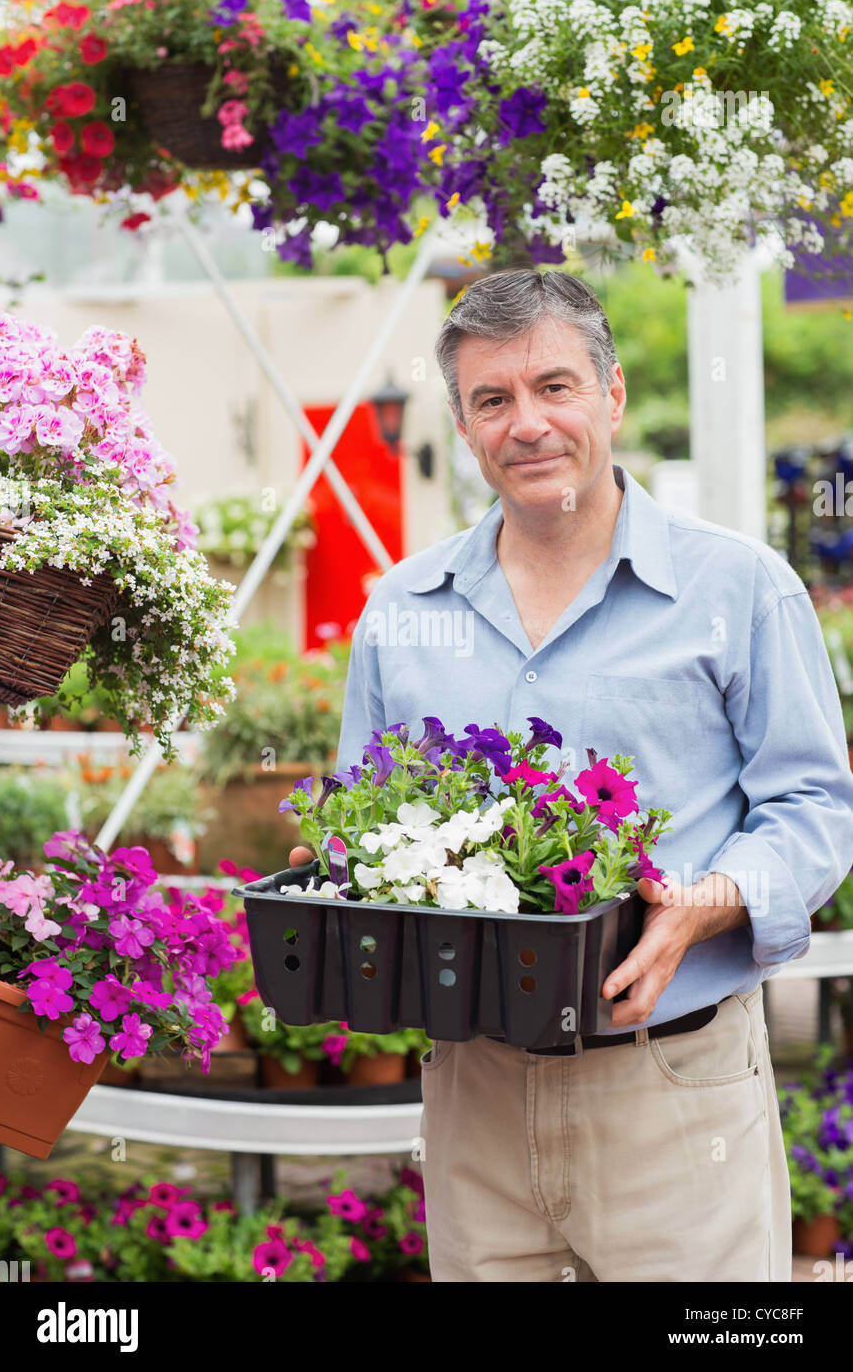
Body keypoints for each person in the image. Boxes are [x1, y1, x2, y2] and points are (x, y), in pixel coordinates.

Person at [290, 268, 853, 1282]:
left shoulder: (737, 588)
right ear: (461, 423)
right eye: (492, 400)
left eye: (554, 387)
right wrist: (339, 878)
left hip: (671, 1080)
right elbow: (356, 819)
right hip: (472, 1089)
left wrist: (709, 901)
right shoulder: (402, 608)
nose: (527, 424)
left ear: (611, 394)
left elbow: (813, 807)